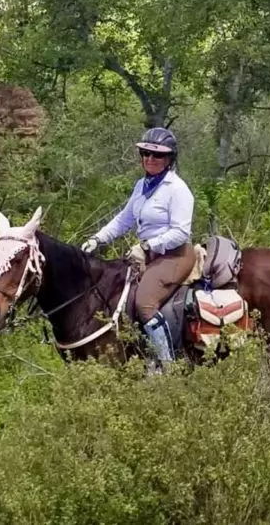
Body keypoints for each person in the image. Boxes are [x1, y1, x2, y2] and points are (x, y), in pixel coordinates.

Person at [81, 127, 195, 366]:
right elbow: (124, 220)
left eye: (158, 155)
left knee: (144, 302)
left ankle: (167, 365)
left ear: (169, 159)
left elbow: (180, 232)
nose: (150, 159)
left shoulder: (177, 189)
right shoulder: (141, 186)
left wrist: (147, 246)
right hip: (146, 255)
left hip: (175, 256)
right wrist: (98, 239)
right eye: (146, 153)